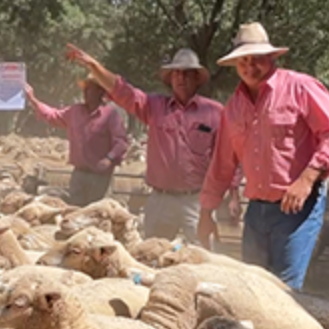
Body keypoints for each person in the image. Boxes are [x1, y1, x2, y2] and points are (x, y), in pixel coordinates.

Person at [197, 22, 329, 290]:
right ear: (235, 64)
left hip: (298, 207)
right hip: (257, 209)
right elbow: (222, 163)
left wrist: (307, 178)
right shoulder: (233, 108)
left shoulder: (301, 88)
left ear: (270, 58)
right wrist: (206, 211)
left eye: (256, 59)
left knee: (285, 290)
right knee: (253, 286)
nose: (249, 66)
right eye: (243, 61)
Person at [65, 44, 223, 242]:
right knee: (151, 257)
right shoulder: (154, 107)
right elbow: (124, 91)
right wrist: (95, 67)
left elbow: (224, 158)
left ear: (197, 79)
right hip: (160, 199)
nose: (181, 78)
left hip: (196, 201)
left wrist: (223, 198)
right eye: (176, 74)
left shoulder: (215, 113)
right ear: (170, 78)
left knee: (204, 258)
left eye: (187, 74)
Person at [24, 76, 128, 207]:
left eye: (90, 89)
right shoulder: (75, 111)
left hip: (100, 177)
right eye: (85, 89)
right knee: (75, 211)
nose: (85, 93)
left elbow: (121, 142)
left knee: (97, 212)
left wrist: (109, 158)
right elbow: (53, 115)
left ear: (100, 92)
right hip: (79, 174)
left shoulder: (110, 115)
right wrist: (33, 100)